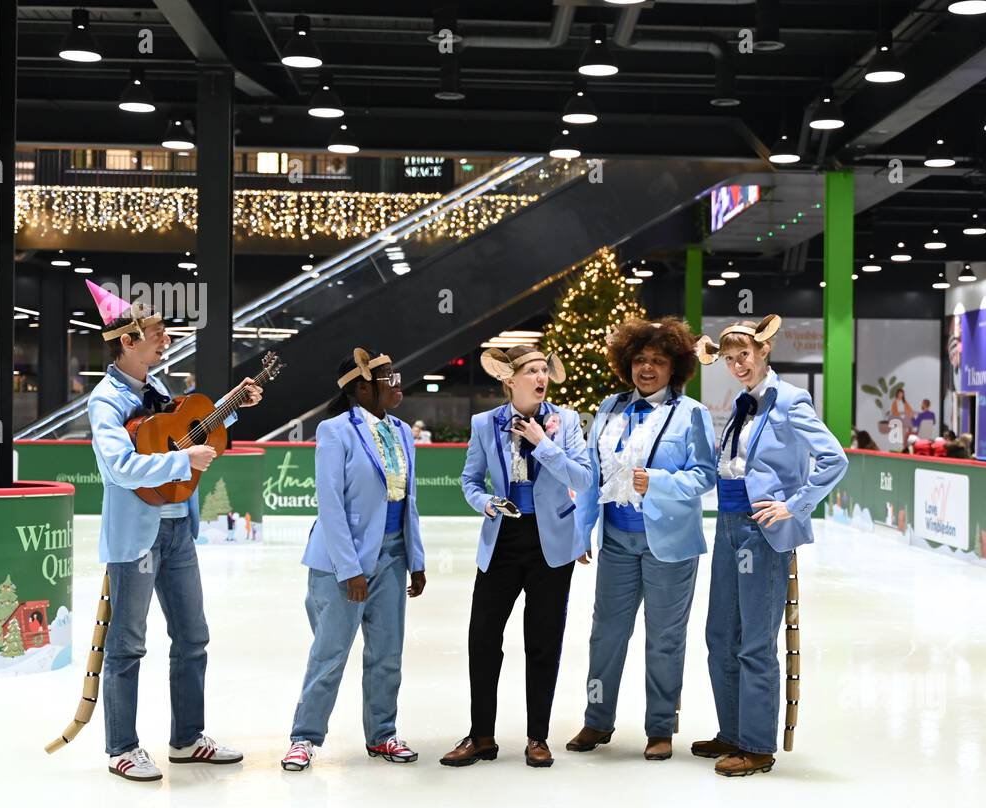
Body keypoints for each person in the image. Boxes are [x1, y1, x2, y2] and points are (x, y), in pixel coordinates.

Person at [84, 279, 263, 783]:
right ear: (129, 340)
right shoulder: (105, 403)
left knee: (192, 636)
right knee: (127, 644)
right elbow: (120, 467)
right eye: (158, 333)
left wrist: (230, 403)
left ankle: (187, 738)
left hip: (177, 531)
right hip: (135, 536)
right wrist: (183, 459)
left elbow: (181, 428)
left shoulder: (156, 391)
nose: (165, 340)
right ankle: (122, 747)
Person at [692, 314, 848, 777]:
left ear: (763, 352)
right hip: (727, 523)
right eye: (730, 358)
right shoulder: (745, 403)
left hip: (760, 530)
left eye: (745, 355)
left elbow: (834, 458)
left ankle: (757, 745)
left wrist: (795, 506)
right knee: (721, 634)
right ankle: (732, 731)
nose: (738, 364)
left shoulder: (789, 400)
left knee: (756, 640)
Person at [567, 318, 716, 761]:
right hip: (616, 539)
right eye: (639, 360)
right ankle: (596, 719)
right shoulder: (610, 408)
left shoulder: (692, 414)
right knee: (605, 634)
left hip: (669, 544)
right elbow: (593, 476)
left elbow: (704, 475)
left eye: (658, 361)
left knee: (665, 638)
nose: (646, 368)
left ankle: (661, 726)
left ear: (676, 368)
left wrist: (659, 481)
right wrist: (582, 531)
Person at [441, 345, 593, 769]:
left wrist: (544, 444)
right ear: (510, 380)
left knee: (543, 642)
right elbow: (469, 479)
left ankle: (537, 738)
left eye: (544, 370)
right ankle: (481, 735)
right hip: (502, 539)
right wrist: (486, 502)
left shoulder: (565, 423)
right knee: (483, 639)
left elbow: (584, 477)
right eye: (531, 370)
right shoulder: (484, 423)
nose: (541, 377)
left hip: (552, 545)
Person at [282, 349, 427, 771]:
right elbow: (330, 504)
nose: (397, 382)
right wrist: (350, 570)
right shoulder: (335, 431)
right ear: (362, 388)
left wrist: (414, 559)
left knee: (387, 652)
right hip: (341, 564)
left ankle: (382, 734)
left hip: (394, 555)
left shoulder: (402, 431)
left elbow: (408, 500)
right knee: (330, 653)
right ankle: (304, 737)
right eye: (388, 377)